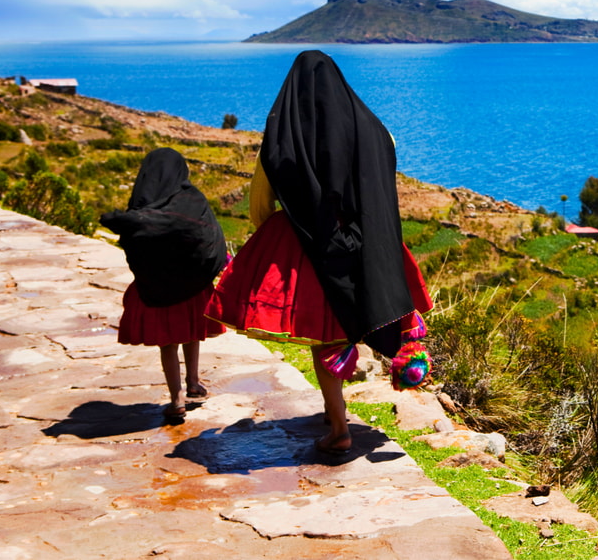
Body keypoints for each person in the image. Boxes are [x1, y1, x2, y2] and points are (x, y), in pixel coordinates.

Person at [207, 50, 433, 456]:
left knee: (324, 337)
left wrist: (277, 240)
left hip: (307, 244)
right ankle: (345, 411)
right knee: (366, 318)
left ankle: (338, 424)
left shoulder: (283, 142)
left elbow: (261, 204)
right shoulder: (378, 133)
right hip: (373, 241)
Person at [100, 148, 228, 420]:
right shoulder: (192, 200)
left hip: (158, 287)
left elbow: (136, 237)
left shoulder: (143, 204)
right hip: (193, 286)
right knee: (192, 333)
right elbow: (208, 235)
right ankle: (193, 382)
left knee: (167, 344)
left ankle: (177, 397)